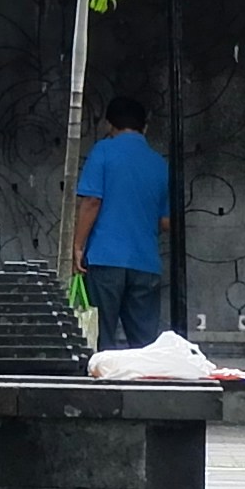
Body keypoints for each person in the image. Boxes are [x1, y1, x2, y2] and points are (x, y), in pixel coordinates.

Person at [74, 95, 174, 351]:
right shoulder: (160, 163)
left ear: (109, 125)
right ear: (145, 127)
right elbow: (166, 222)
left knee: (100, 341)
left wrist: (78, 246)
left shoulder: (103, 151)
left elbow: (92, 202)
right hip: (146, 263)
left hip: (105, 259)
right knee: (144, 346)